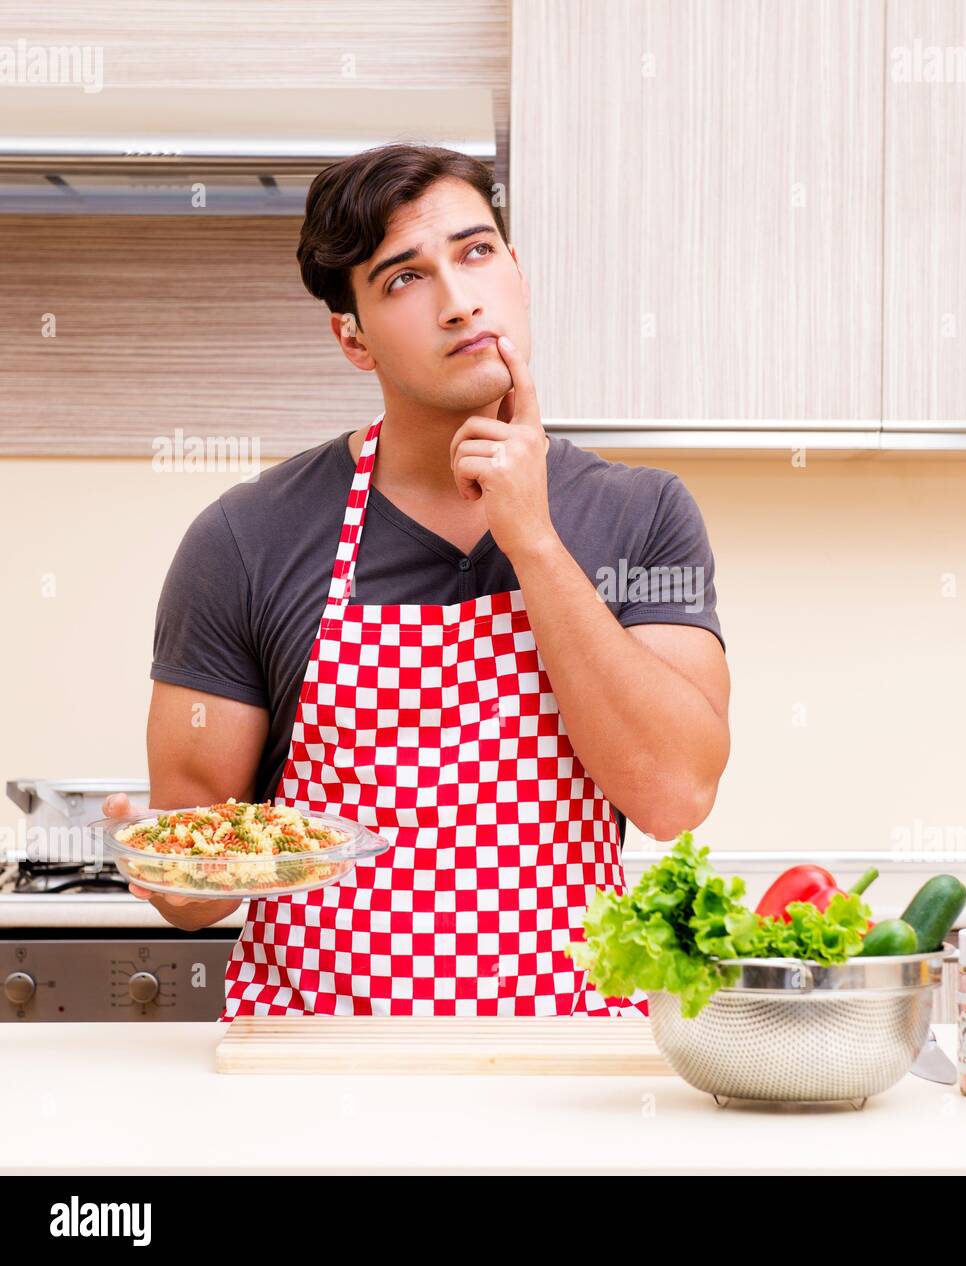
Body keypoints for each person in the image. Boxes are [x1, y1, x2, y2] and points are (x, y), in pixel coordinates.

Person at [102, 143, 729, 1019]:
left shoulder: (643, 516)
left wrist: (534, 539)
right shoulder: (244, 539)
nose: (458, 300)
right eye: (403, 279)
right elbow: (201, 885)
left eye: (476, 252)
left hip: (570, 1067)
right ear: (351, 337)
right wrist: (168, 874)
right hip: (314, 1071)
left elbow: (674, 796)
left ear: (517, 270)